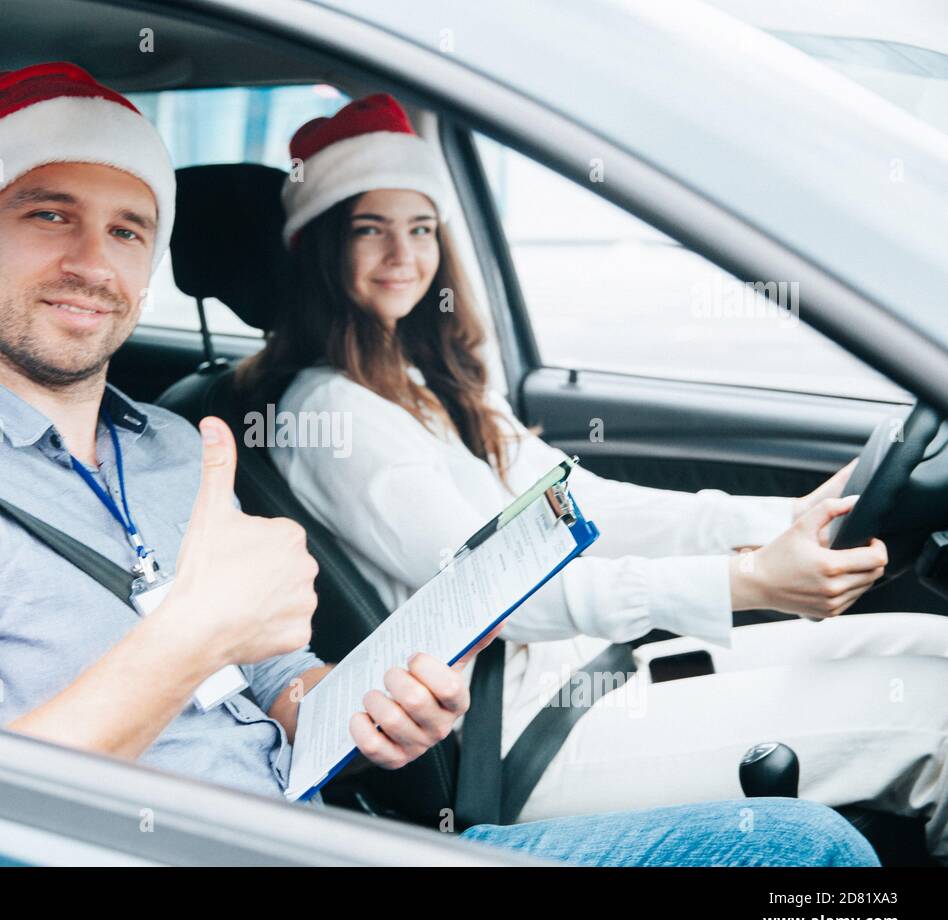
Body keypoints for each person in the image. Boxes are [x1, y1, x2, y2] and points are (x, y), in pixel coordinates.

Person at [0, 63, 878, 866]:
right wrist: (195, 630)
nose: (91, 261)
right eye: (47, 214)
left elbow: (272, 690)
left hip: (317, 827)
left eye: (127, 231)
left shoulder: (175, 446)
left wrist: (357, 704)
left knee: (803, 850)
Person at [241, 92, 948, 859]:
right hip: (510, 733)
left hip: (587, 672)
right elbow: (493, 595)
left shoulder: (425, 381)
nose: (404, 256)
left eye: (419, 228)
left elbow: (589, 503)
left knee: (933, 649)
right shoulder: (333, 416)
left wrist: (774, 522)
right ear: (318, 248)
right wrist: (744, 584)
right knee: (938, 718)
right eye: (367, 229)